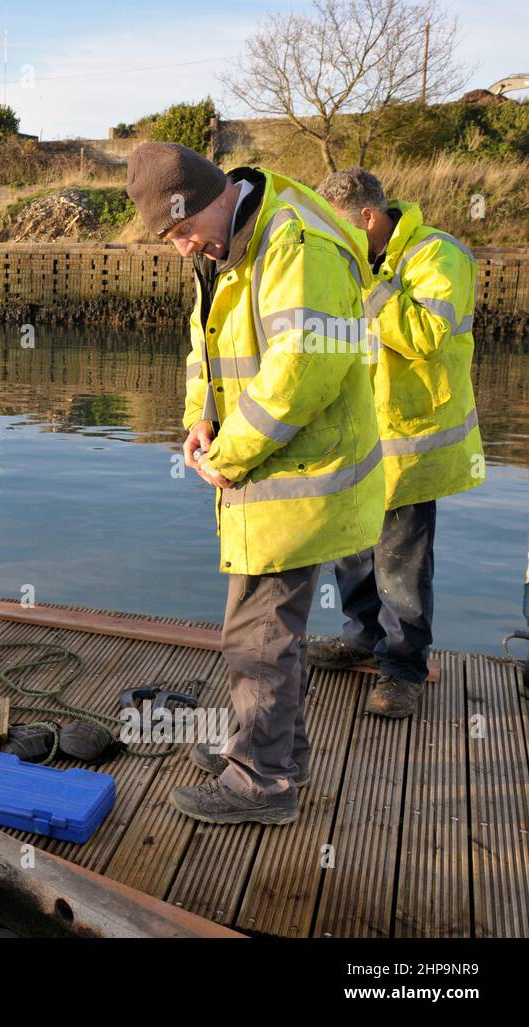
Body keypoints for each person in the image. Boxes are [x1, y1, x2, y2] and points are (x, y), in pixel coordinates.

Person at [125, 142, 384, 825]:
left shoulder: (296, 245)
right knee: (273, 631)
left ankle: (261, 784)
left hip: (301, 480)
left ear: (208, 199)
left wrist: (231, 453)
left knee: (257, 636)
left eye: (181, 233)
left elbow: (303, 373)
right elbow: (202, 342)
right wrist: (198, 419)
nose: (182, 249)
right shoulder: (226, 245)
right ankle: (275, 749)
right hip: (265, 473)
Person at [311, 167, 483, 717]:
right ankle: (362, 638)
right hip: (358, 436)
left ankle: (404, 667)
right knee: (352, 549)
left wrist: (368, 284)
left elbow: (425, 337)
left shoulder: (439, 254)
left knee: (402, 561)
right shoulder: (351, 258)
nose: (336, 242)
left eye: (342, 230)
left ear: (368, 217)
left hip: (412, 442)